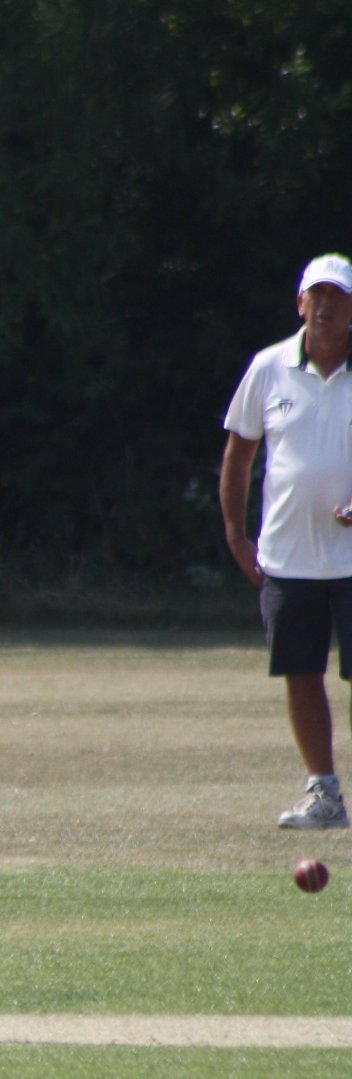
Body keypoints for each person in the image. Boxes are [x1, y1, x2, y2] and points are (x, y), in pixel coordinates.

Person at [221, 253, 352, 828]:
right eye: (316, 296)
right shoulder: (269, 367)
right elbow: (240, 452)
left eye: (338, 297)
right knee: (301, 672)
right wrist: (233, 531)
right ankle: (324, 794)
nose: (326, 306)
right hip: (288, 555)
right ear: (300, 303)